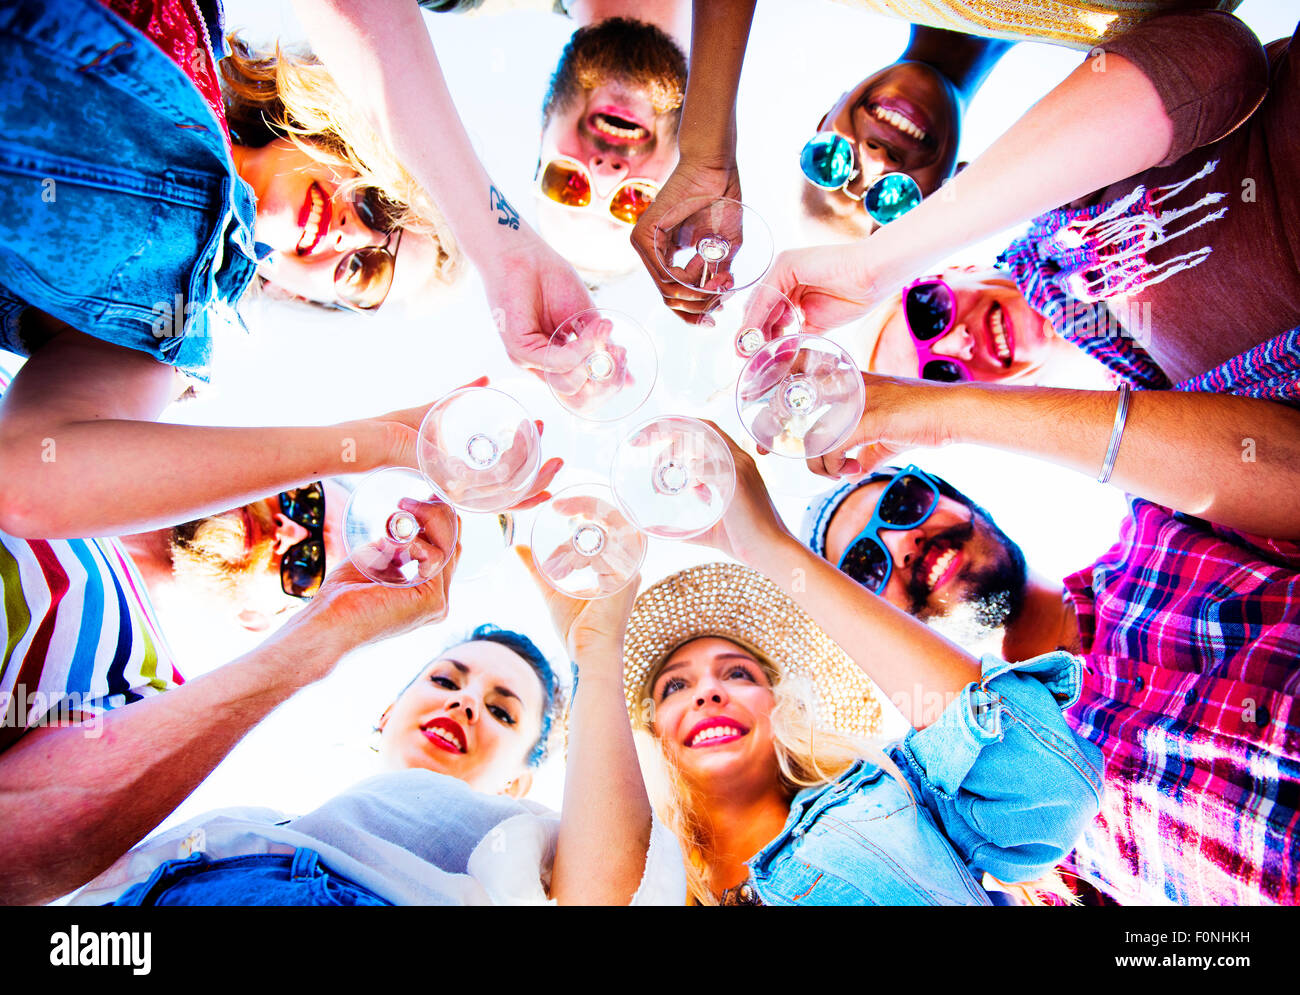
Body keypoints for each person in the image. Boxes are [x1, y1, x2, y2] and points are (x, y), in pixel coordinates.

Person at [800, 462, 1300, 904]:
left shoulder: (1170, 519)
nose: (901, 544)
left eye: (903, 502)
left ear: (963, 501)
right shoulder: (1017, 833)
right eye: (864, 568)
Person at [67, 552, 686, 906]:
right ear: (387, 714)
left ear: (522, 781)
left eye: (503, 711)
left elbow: (615, 897)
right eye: (447, 681)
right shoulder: (250, 820)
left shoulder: (538, 844)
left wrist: (598, 648)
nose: (467, 704)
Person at [0, 497, 461, 905]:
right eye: (303, 502)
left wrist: (319, 639)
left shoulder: (143, 695)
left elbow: (12, 841)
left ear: (257, 618)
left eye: (305, 563)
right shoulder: (51, 448)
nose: (291, 530)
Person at [621, 559, 1102, 905]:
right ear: (653, 733)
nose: (708, 693)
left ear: (782, 707)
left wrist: (768, 542)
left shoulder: (898, 794)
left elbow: (1047, 787)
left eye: (738, 674)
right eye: (676, 687)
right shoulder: (639, 891)